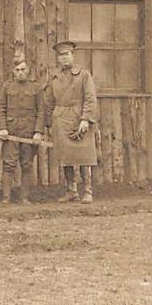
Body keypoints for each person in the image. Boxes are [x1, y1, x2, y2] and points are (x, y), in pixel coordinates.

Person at [43, 40, 99, 204]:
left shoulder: (84, 75)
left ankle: (87, 191)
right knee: (66, 157)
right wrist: (49, 122)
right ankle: (71, 191)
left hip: (79, 118)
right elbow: (49, 101)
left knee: (84, 156)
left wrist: (86, 119)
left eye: (67, 54)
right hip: (60, 120)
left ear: (72, 55)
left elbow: (90, 98)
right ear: (58, 59)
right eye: (61, 56)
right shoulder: (54, 78)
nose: (64, 58)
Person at [0, 57, 46, 204]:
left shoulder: (36, 88)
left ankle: (24, 198)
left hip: (29, 134)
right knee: (9, 164)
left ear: (28, 71)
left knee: (27, 164)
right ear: (13, 71)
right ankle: (6, 198)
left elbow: (41, 110)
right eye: (17, 70)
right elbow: (0, 108)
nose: (20, 73)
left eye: (23, 70)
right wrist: (2, 128)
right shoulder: (7, 87)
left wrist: (38, 131)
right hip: (11, 133)